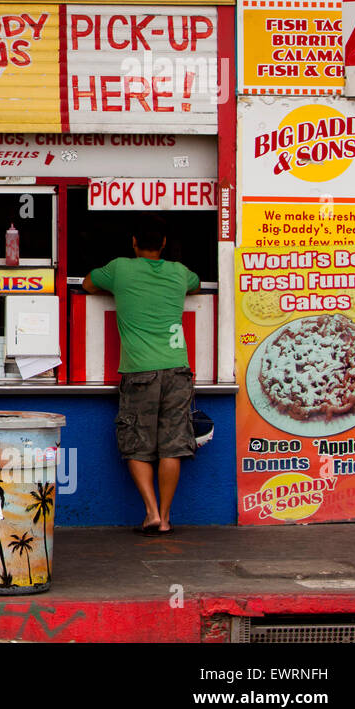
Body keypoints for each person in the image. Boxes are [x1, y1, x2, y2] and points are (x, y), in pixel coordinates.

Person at [83, 214, 200, 536]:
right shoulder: (179, 272)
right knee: (172, 445)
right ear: (163, 244)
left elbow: (87, 284)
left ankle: (150, 512)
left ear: (133, 243)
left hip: (140, 371)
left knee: (137, 443)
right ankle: (165, 516)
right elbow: (197, 284)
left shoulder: (120, 268)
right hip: (178, 369)